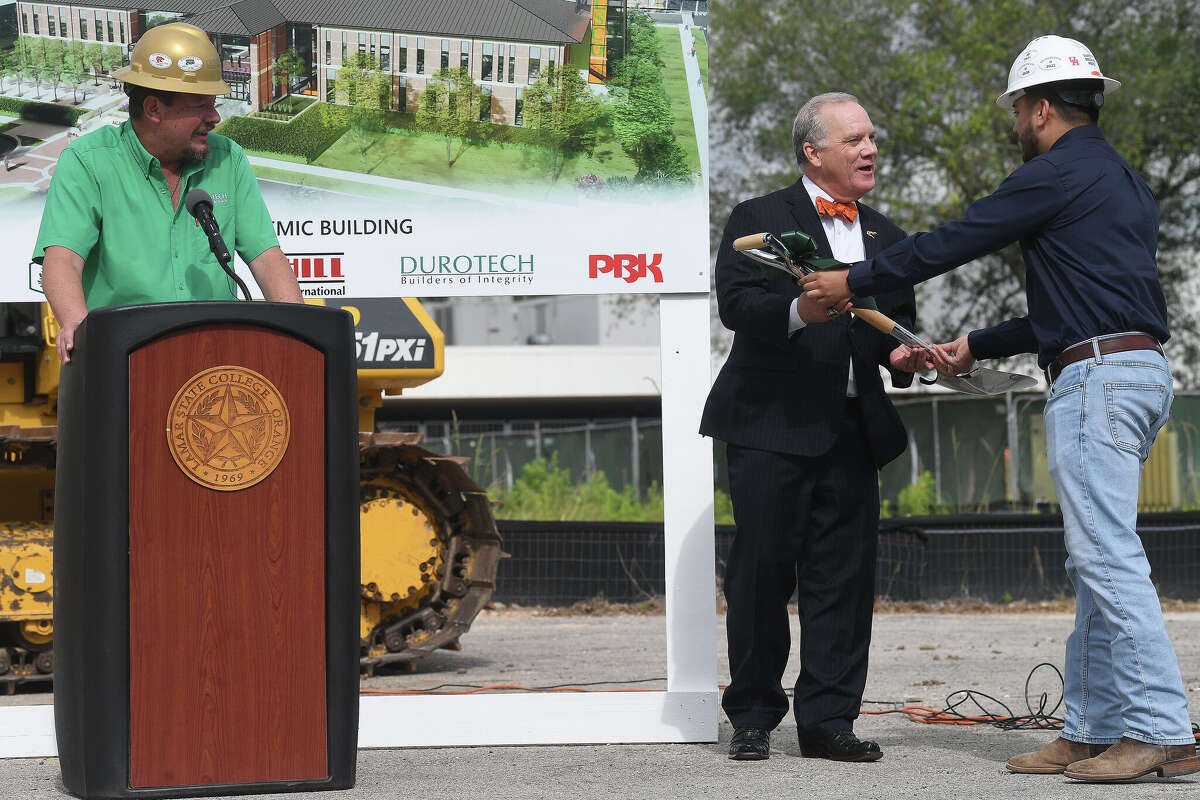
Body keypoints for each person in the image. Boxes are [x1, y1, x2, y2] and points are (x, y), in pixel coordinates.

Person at [801, 36, 1200, 782]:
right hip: (1136, 369)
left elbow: (955, 240)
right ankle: (1090, 728)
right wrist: (975, 346)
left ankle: (1160, 729)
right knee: (1096, 558)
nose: (1016, 122)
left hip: (1097, 380)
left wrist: (852, 280)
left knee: (1105, 555)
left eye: (1018, 109)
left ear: (1041, 108)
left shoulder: (1053, 173)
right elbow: (1074, 306)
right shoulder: (1124, 182)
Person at [701, 92, 930, 763]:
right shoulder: (759, 219)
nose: (870, 150)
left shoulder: (890, 236)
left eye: (872, 138)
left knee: (844, 582)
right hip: (769, 426)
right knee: (760, 576)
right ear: (812, 151)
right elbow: (737, 305)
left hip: (854, 434)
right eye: (854, 140)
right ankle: (752, 715)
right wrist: (801, 312)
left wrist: (905, 358)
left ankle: (828, 722)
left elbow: (892, 332)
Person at [32, 22, 302, 365]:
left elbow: (266, 258)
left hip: (215, 362)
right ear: (154, 109)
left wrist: (301, 335)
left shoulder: (229, 159)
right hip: (123, 361)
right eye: (200, 106)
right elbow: (62, 260)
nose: (214, 117)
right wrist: (81, 332)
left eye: (214, 103)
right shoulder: (88, 161)